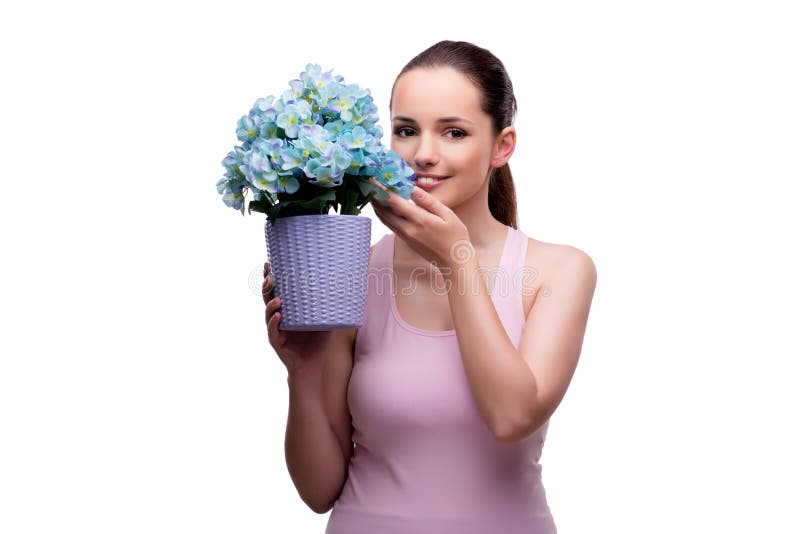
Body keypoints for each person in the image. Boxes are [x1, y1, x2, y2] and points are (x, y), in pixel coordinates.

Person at [263, 40, 597, 534]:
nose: (423, 154)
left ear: (501, 146)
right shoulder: (356, 269)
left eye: (454, 132)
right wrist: (303, 371)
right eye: (406, 130)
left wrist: (456, 259)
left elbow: (511, 416)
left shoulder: (559, 271)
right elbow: (318, 490)